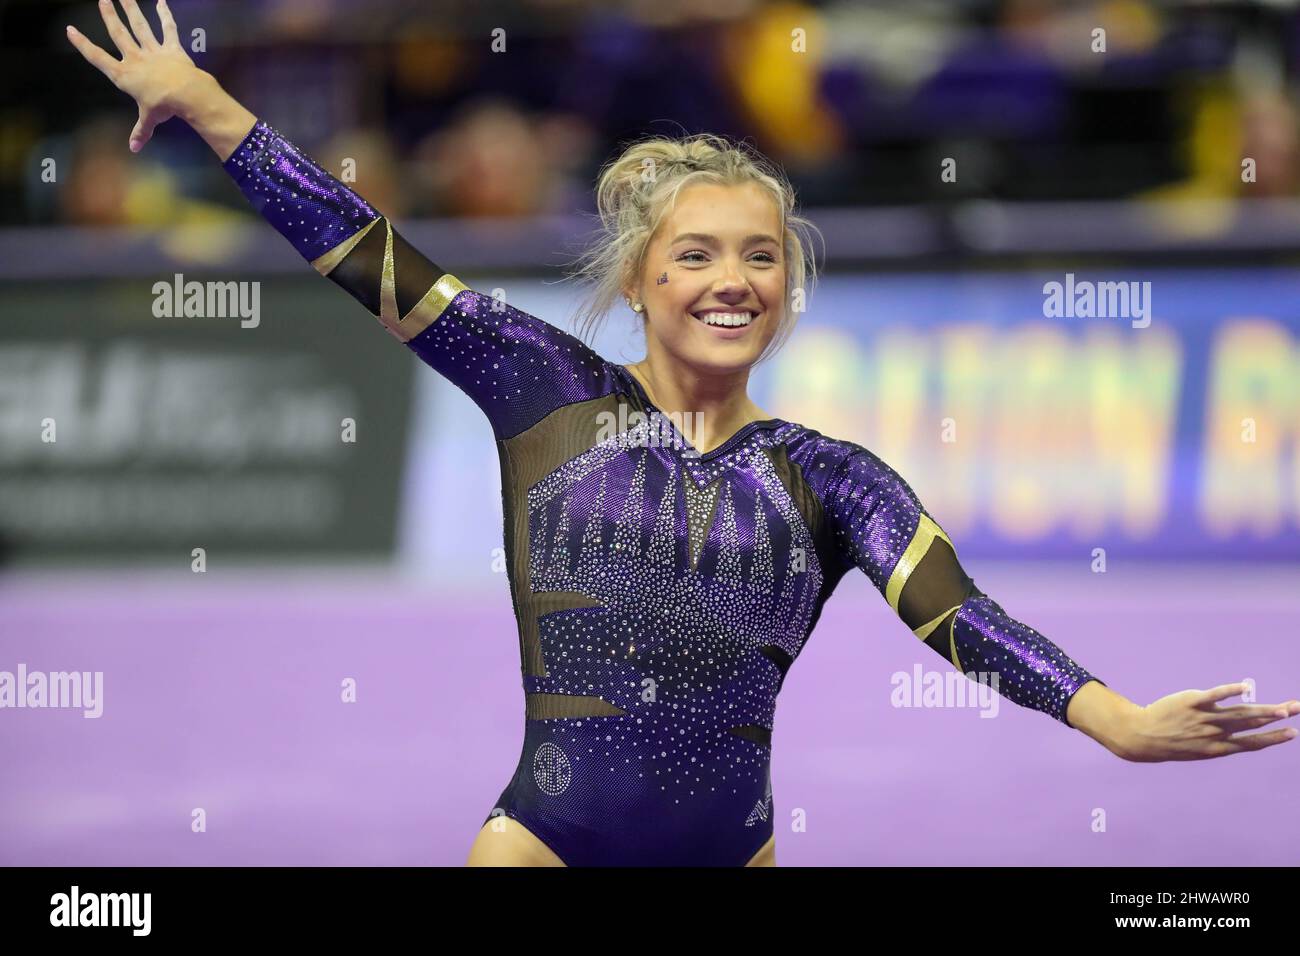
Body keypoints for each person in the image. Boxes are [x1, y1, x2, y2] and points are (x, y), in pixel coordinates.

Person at [66, 0, 1300, 868]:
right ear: (643, 283)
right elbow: (357, 246)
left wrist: (1115, 718)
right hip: (542, 843)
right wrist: (212, 105)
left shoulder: (831, 478)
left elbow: (958, 615)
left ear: (789, 288)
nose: (731, 279)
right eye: (695, 254)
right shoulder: (538, 384)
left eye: (760, 256)